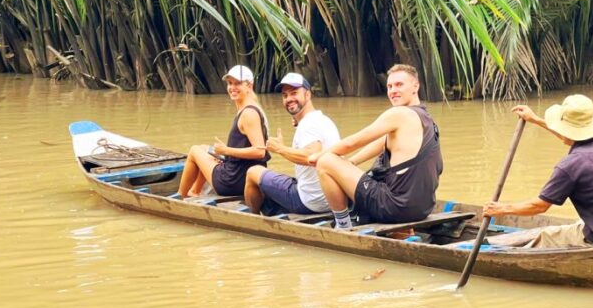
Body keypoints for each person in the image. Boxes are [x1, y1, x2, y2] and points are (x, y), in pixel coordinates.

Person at [483, 94, 593, 248]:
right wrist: (535, 119)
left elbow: (539, 206)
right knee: (577, 225)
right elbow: (572, 137)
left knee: (546, 237)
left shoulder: (570, 166)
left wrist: (501, 209)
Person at [309, 64, 443, 230]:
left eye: (399, 85)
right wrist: (350, 163)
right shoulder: (426, 119)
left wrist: (320, 155)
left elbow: (352, 143)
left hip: (395, 207)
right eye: (389, 86)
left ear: (416, 86)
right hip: (423, 209)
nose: (393, 91)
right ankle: (399, 232)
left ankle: (342, 225)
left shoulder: (399, 113)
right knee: (336, 163)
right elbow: (381, 142)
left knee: (325, 162)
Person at [242, 72, 341, 215]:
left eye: (294, 93)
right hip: (332, 198)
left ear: (308, 95)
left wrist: (280, 149)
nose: (289, 99)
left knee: (253, 172)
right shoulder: (322, 119)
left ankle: (252, 219)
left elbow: (311, 157)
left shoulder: (309, 124)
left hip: (310, 201)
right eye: (285, 95)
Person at [176, 65, 270, 198]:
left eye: (238, 83)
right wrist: (225, 154)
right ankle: (194, 191)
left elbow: (260, 152)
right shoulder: (250, 108)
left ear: (249, 85)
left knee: (194, 150)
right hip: (241, 175)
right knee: (204, 149)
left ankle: (180, 196)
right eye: (230, 83)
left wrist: (227, 151)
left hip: (234, 181)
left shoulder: (248, 113)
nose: (232, 87)